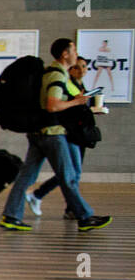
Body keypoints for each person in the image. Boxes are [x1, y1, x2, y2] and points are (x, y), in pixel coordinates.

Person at [0, 38, 110, 232]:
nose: (76, 54)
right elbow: (52, 105)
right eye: (73, 50)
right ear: (65, 54)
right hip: (52, 134)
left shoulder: (55, 74)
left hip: (39, 132)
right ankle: (84, 217)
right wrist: (76, 102)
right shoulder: (56, 75)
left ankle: (11, 215)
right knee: (68, 176)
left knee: (27, 177)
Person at [27, 56, 88, 216]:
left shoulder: (77, 85)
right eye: (78, 66)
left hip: (74, 131)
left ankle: (73, 209)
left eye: (84, 67)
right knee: (70, 173)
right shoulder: (61, 79)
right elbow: (53, 105)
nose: (82, 70)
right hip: (62, 131)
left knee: (71, 173)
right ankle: (79, 212)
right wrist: (76, 103)